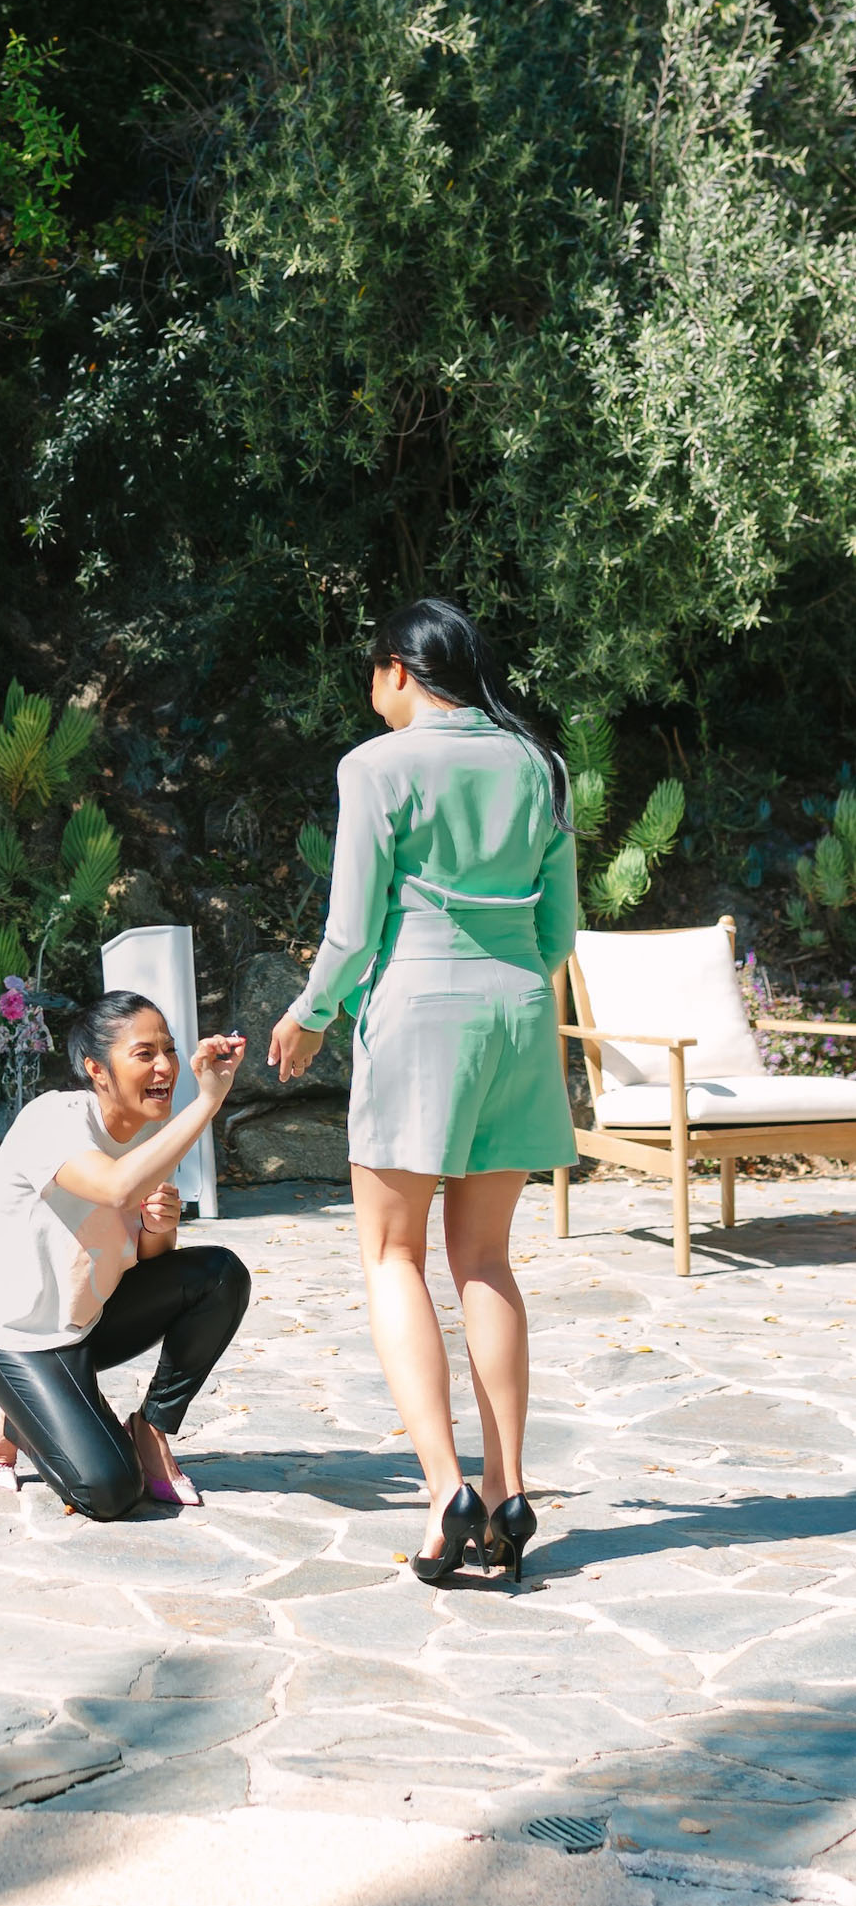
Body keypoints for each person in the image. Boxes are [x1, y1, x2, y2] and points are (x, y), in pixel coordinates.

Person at [268, 597, 578, 1586]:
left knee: (393, 1257)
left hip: (421, 1019)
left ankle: (444, 1488)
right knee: (486, 1260)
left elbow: (353, 930)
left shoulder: (376, 766)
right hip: (522, 1021)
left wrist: (312, 1012)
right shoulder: (542, 767)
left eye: (374, 672)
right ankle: (509, 1489)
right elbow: (560, 934)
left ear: (400, 670)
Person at [0, 993, 250, 1517]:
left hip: (86, 1320)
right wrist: (209, 1100)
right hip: (16, 1338)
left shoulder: (152, 1132)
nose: (165, 1066)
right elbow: (116, 1187)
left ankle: (151, 1427)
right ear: (97, 1069)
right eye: (144, 1054)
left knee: (220, 1275)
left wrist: (161, 1228)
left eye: (170, 1049)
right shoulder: (51, 1118)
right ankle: (9, 1410)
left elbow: (148, 1260)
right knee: (108, 1492)